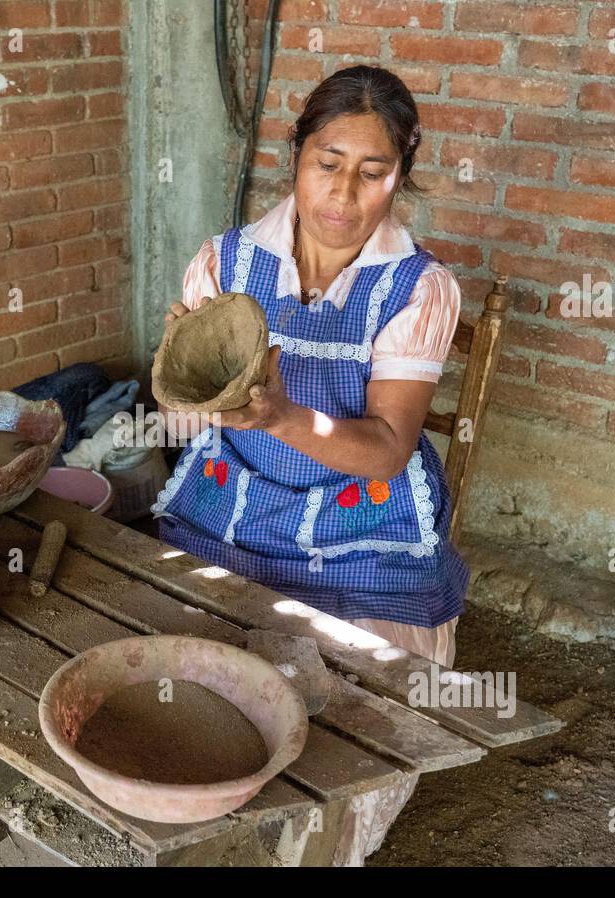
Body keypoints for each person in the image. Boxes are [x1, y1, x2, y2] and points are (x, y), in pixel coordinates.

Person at [153, 64, 468, 670]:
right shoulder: (226, 261)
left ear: (400, 177)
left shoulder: (417, 288)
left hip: (366, 509)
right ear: (297, 154)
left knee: (368, 692)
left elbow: (387, 450)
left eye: (372, 173)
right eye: (328, 164)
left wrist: (279, 417)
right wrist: (183, 383)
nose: (344, 194)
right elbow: (179, 430)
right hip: (236, 500)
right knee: (199, 665)